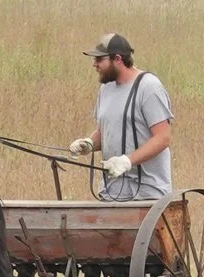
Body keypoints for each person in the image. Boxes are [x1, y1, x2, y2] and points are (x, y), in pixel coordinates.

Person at [68, 32, 171, 203]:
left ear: (117, 59)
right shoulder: (105, 89)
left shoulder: (148, 87)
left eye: (99, 59)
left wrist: (127, 161)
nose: (94, 64)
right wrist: (89, 143)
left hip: (148, 193)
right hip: (112, 193)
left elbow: (163, 138)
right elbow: (106, 131)